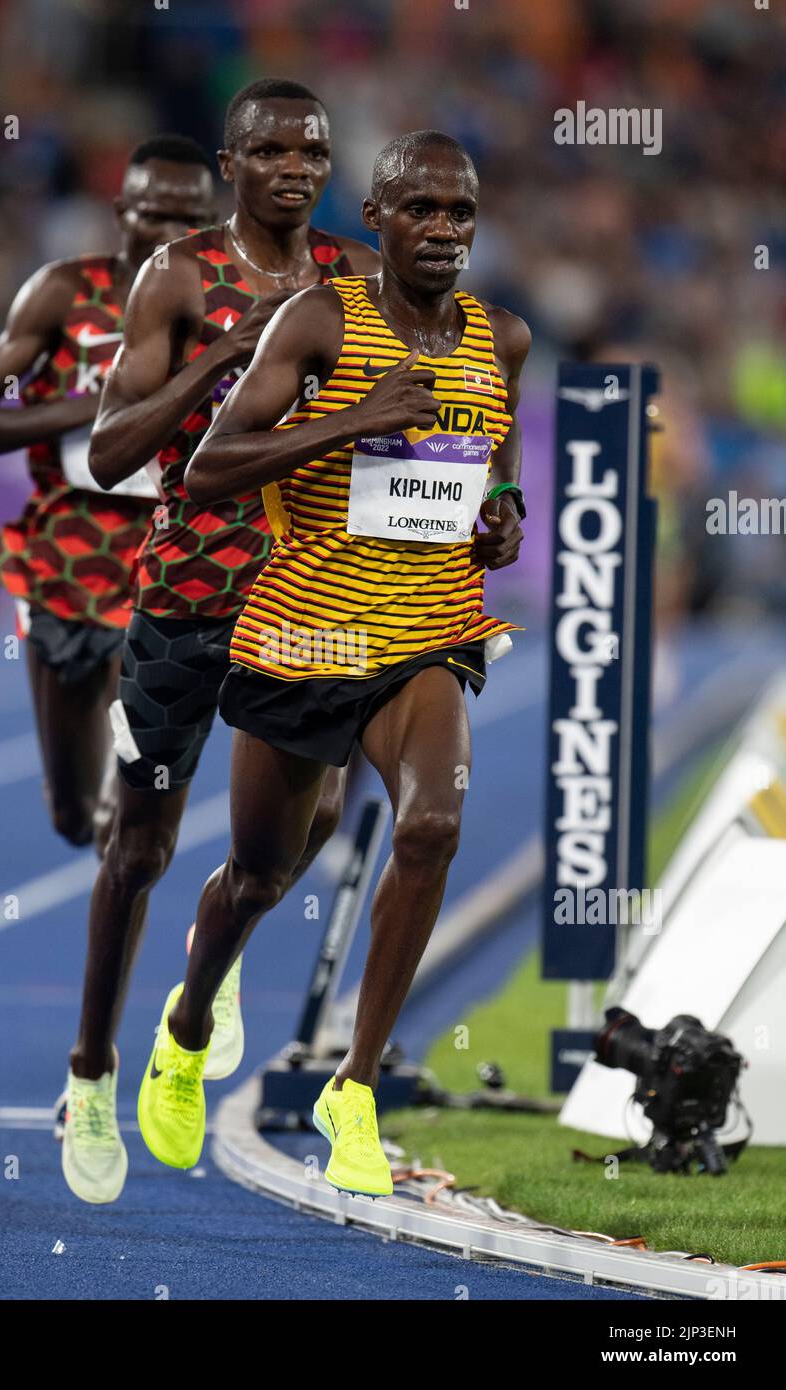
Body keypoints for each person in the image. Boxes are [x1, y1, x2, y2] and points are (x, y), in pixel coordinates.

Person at [138, 130, 531, 1198]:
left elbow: (494, 468)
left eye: (460, 212)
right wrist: (355, 418)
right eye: (421, 210)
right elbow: (209, 470)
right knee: (261, 873)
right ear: (377, 216)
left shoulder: (503, 338)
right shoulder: (319, 320)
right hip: (301, 636)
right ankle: (183, 1025)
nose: (444, 230)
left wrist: (502, 516)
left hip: (425, 629)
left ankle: (351, 1087)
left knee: (430, 824)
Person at [61, 79, 381, 1204]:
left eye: (314, 150)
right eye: (272, 149)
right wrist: (221, 359)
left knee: (309, 826)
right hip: (189, 595)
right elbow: (106, 455)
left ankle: (205, 972)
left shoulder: (361, 278)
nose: (296, 165)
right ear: (231, 160)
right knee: (137, 845)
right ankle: (92, 1070)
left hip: (306, 595)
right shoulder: (181, 276)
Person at [0, 137, 215, 853]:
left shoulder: (228, 307)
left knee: (134, 806)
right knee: (72, 814)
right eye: (155, 215)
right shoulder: (65, 292)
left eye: (191, 221)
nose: (171, 235)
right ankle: (85, 811)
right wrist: (98, 407)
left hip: (173, 550)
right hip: (69, 551)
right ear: (122, 211)